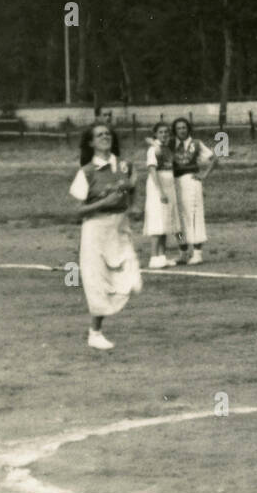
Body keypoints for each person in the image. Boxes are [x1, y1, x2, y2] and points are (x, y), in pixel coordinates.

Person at [69, 123, 142, 350]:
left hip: (119, 228)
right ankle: (95, 333)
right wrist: (104, 202)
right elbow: (76, 211)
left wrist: (133, 203)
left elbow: (130, 189)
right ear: (90, 143)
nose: (105, 137)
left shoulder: (124, 166)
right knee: (98, 281)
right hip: (95, 230)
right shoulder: (86, 172)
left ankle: (97, 328)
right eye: (99, 135)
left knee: (132, 281)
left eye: (108, 134)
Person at [171, 118, 218, 265]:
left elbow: (214, 158)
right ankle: (183, 252)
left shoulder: (196, 144)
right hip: (174, 182)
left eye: (184, 127)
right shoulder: (171, 144)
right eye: (179, 128)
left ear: (188, 129)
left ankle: (197, 253)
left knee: (194, 216)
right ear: (175, 130)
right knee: (177, 219)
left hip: (191, 182)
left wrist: (204, 174)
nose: (182, 130)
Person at [143, 122, 184, 269]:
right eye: (160, 132)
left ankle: (162, 256)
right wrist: (160, 192)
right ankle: (154, 257)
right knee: (157, 222)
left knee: (165, 222)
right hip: (158, 187)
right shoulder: (153, 149)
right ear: (155, 134)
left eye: (166, 132)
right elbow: (152, 171)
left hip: (169, 186)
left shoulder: (167, 148)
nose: (164, 134)